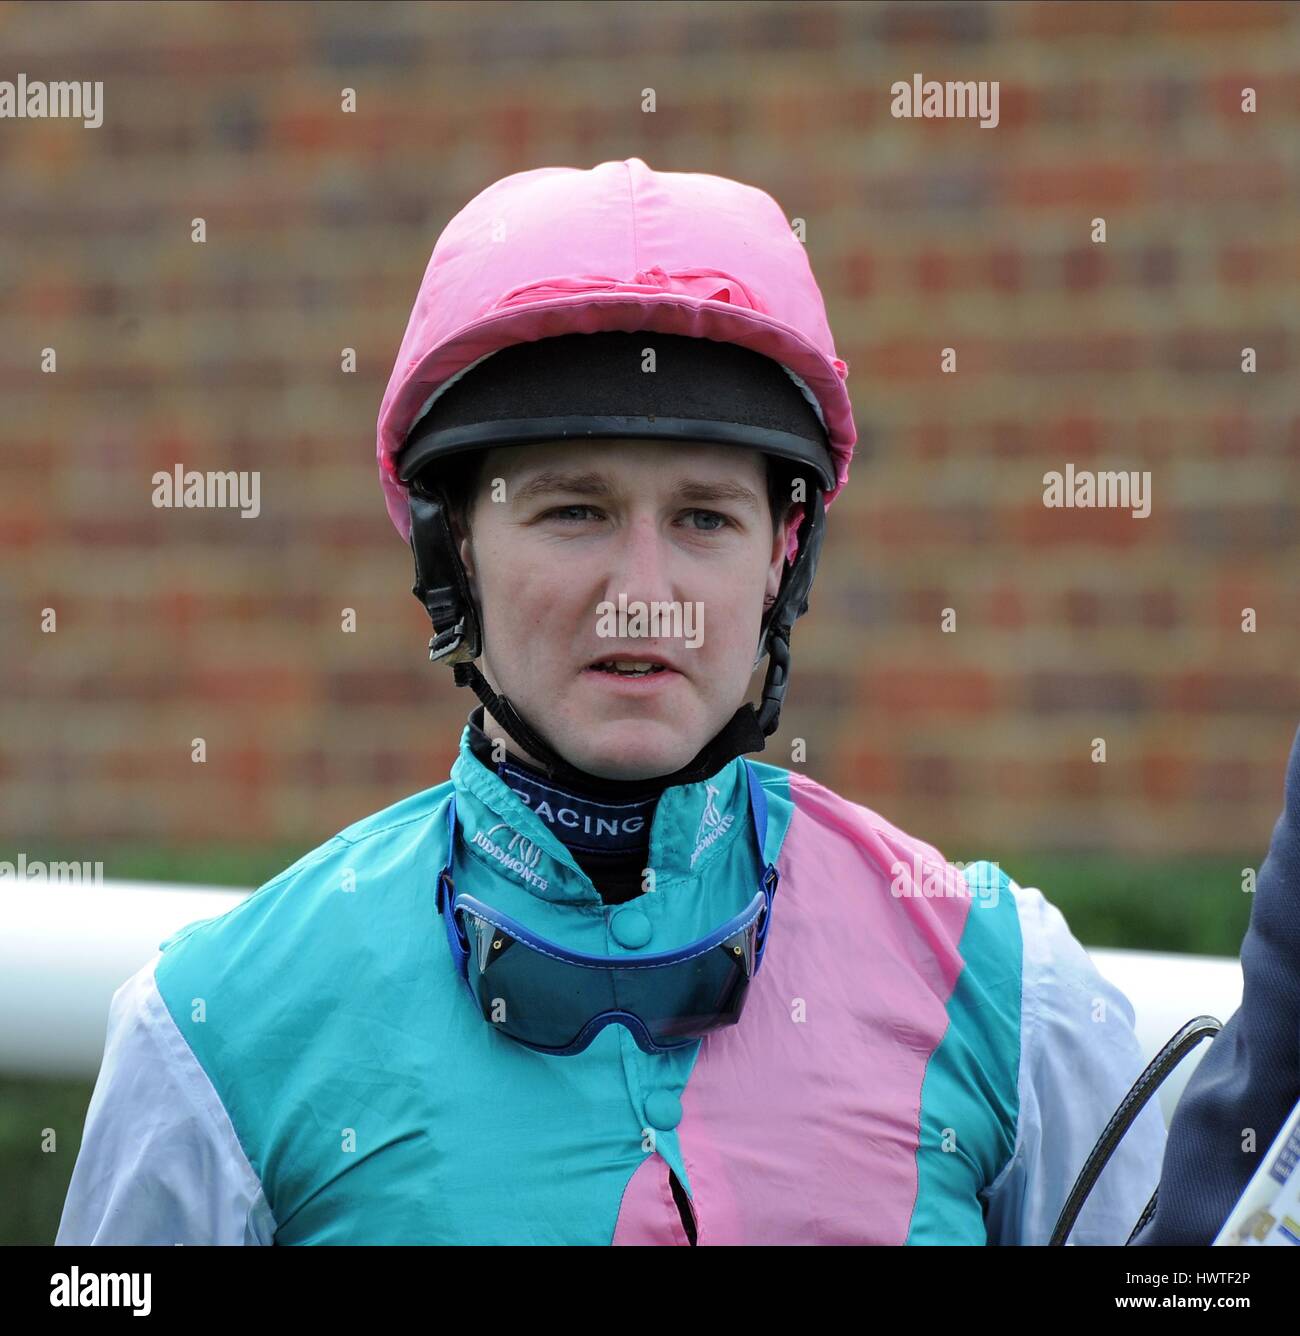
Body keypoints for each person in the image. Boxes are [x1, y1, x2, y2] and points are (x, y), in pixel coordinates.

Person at [57, 158, 1166, 1246]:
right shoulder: (216, 1029)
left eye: (703, 519)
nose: (645, 597)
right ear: (455, 549)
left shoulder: (1008, 989)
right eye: (573, 511)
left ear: (784, 555)